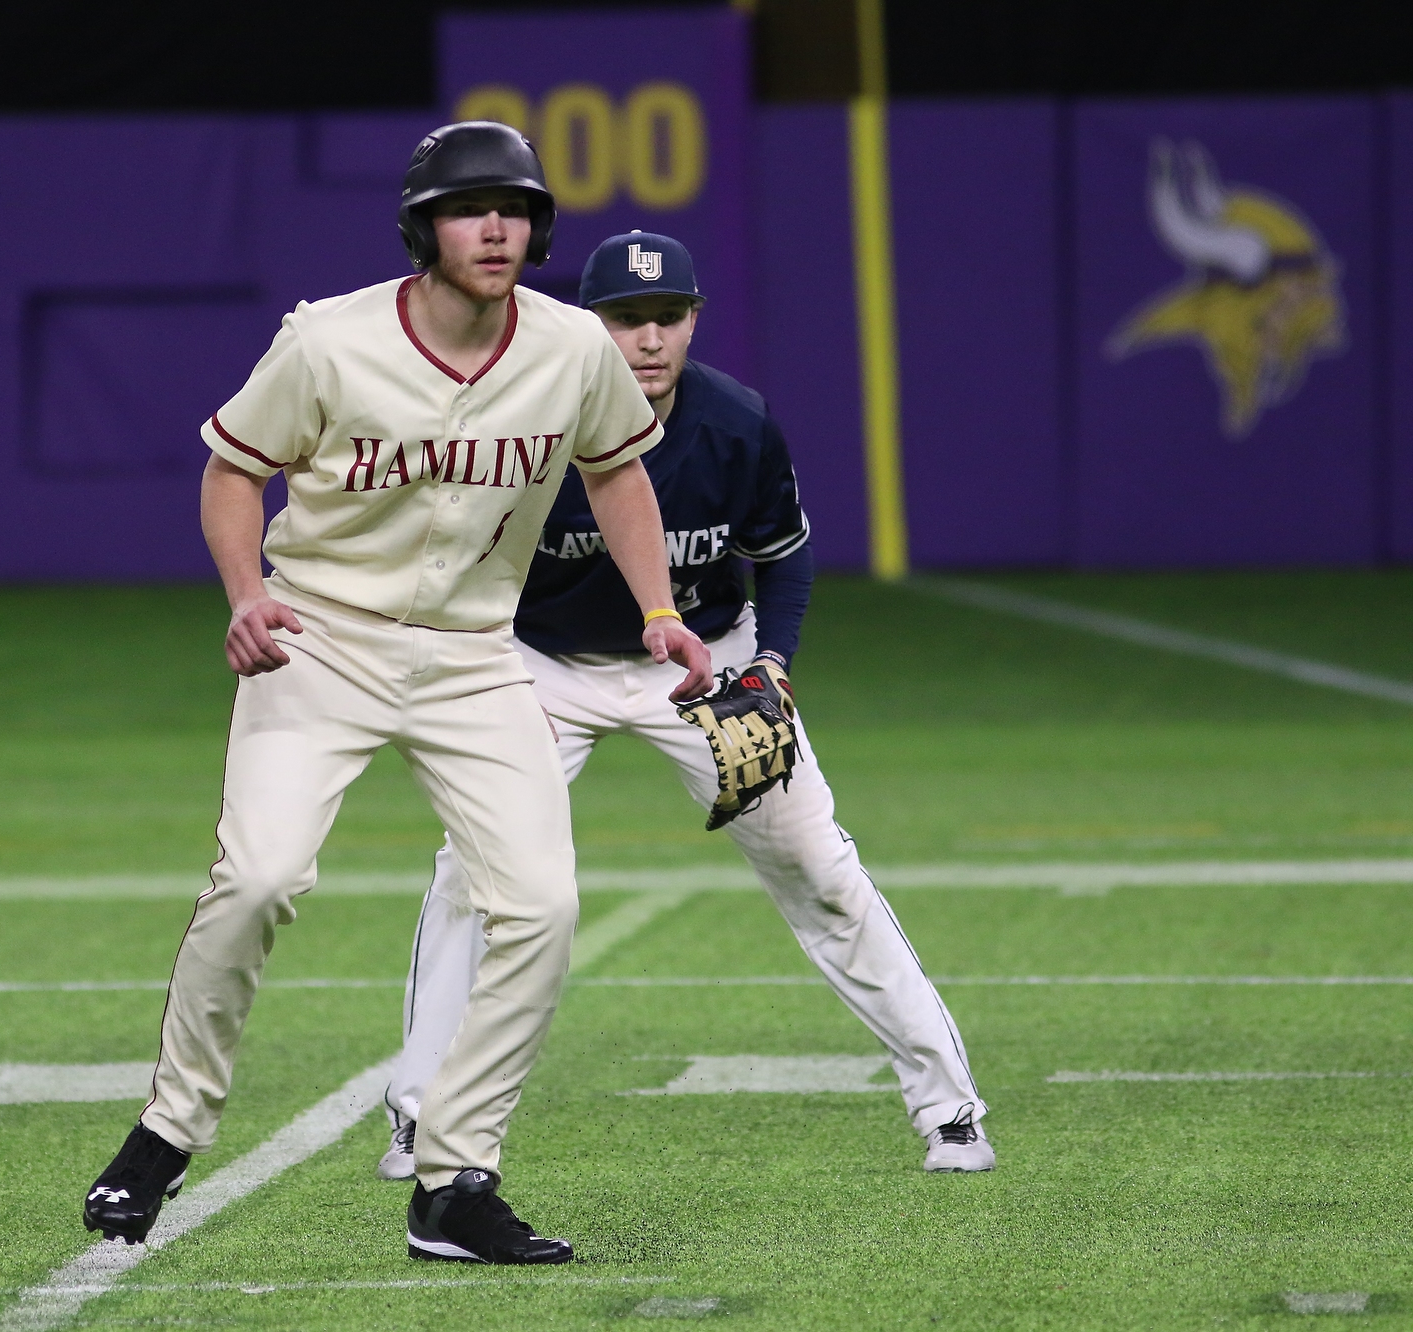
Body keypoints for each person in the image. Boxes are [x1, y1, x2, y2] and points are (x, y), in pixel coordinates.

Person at [81, 127, 714, 1266]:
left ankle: (454, 1175)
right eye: (470, 209)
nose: (494, 229)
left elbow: (615, 470)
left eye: (513, 210)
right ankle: (167, 1133)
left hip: (475, 656)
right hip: (320, 638)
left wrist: (660, 610)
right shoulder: (329, 342)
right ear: (423, 227)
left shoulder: (572, 346)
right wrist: (241, 592)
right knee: (261, 875)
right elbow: (234, 467)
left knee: (541, 905)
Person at [376, 231, 993, 1183]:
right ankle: (420, 1115)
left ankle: (949, 1107)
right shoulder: (523, 420)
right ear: (590, 323)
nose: (649, 338)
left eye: (668, 317)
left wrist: (775, 663)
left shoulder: (737, 424)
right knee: (472, 873)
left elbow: (782, 554)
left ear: (694, 319)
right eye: (627, 318)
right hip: (542, 664)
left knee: (818, 868)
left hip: (704, 662)